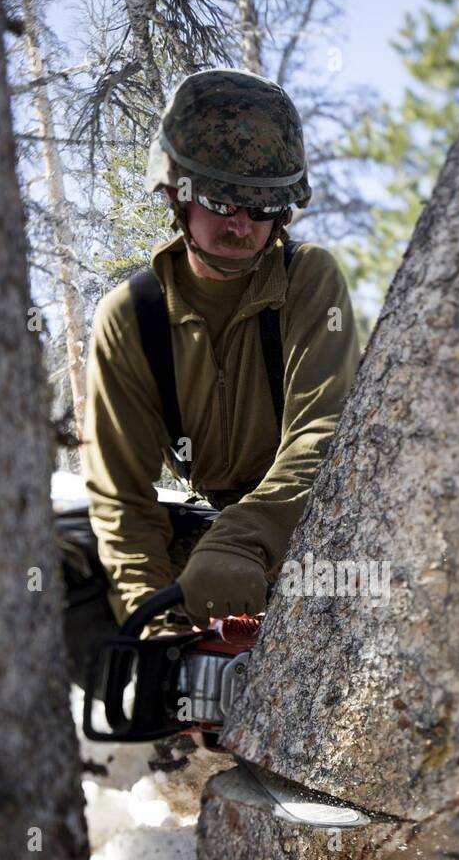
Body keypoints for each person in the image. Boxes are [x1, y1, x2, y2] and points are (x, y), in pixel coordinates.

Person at [81, 68, 361, 632]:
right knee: (69, 572)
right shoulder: (130, 317)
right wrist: (151, 622)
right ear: (176, 194)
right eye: (221, 200)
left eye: (262, 208)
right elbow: (122, 499)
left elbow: (322, 436)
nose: (241, 225)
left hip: (303, 530)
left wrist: (244, 542)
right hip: (209, 540)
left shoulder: (308, 281)